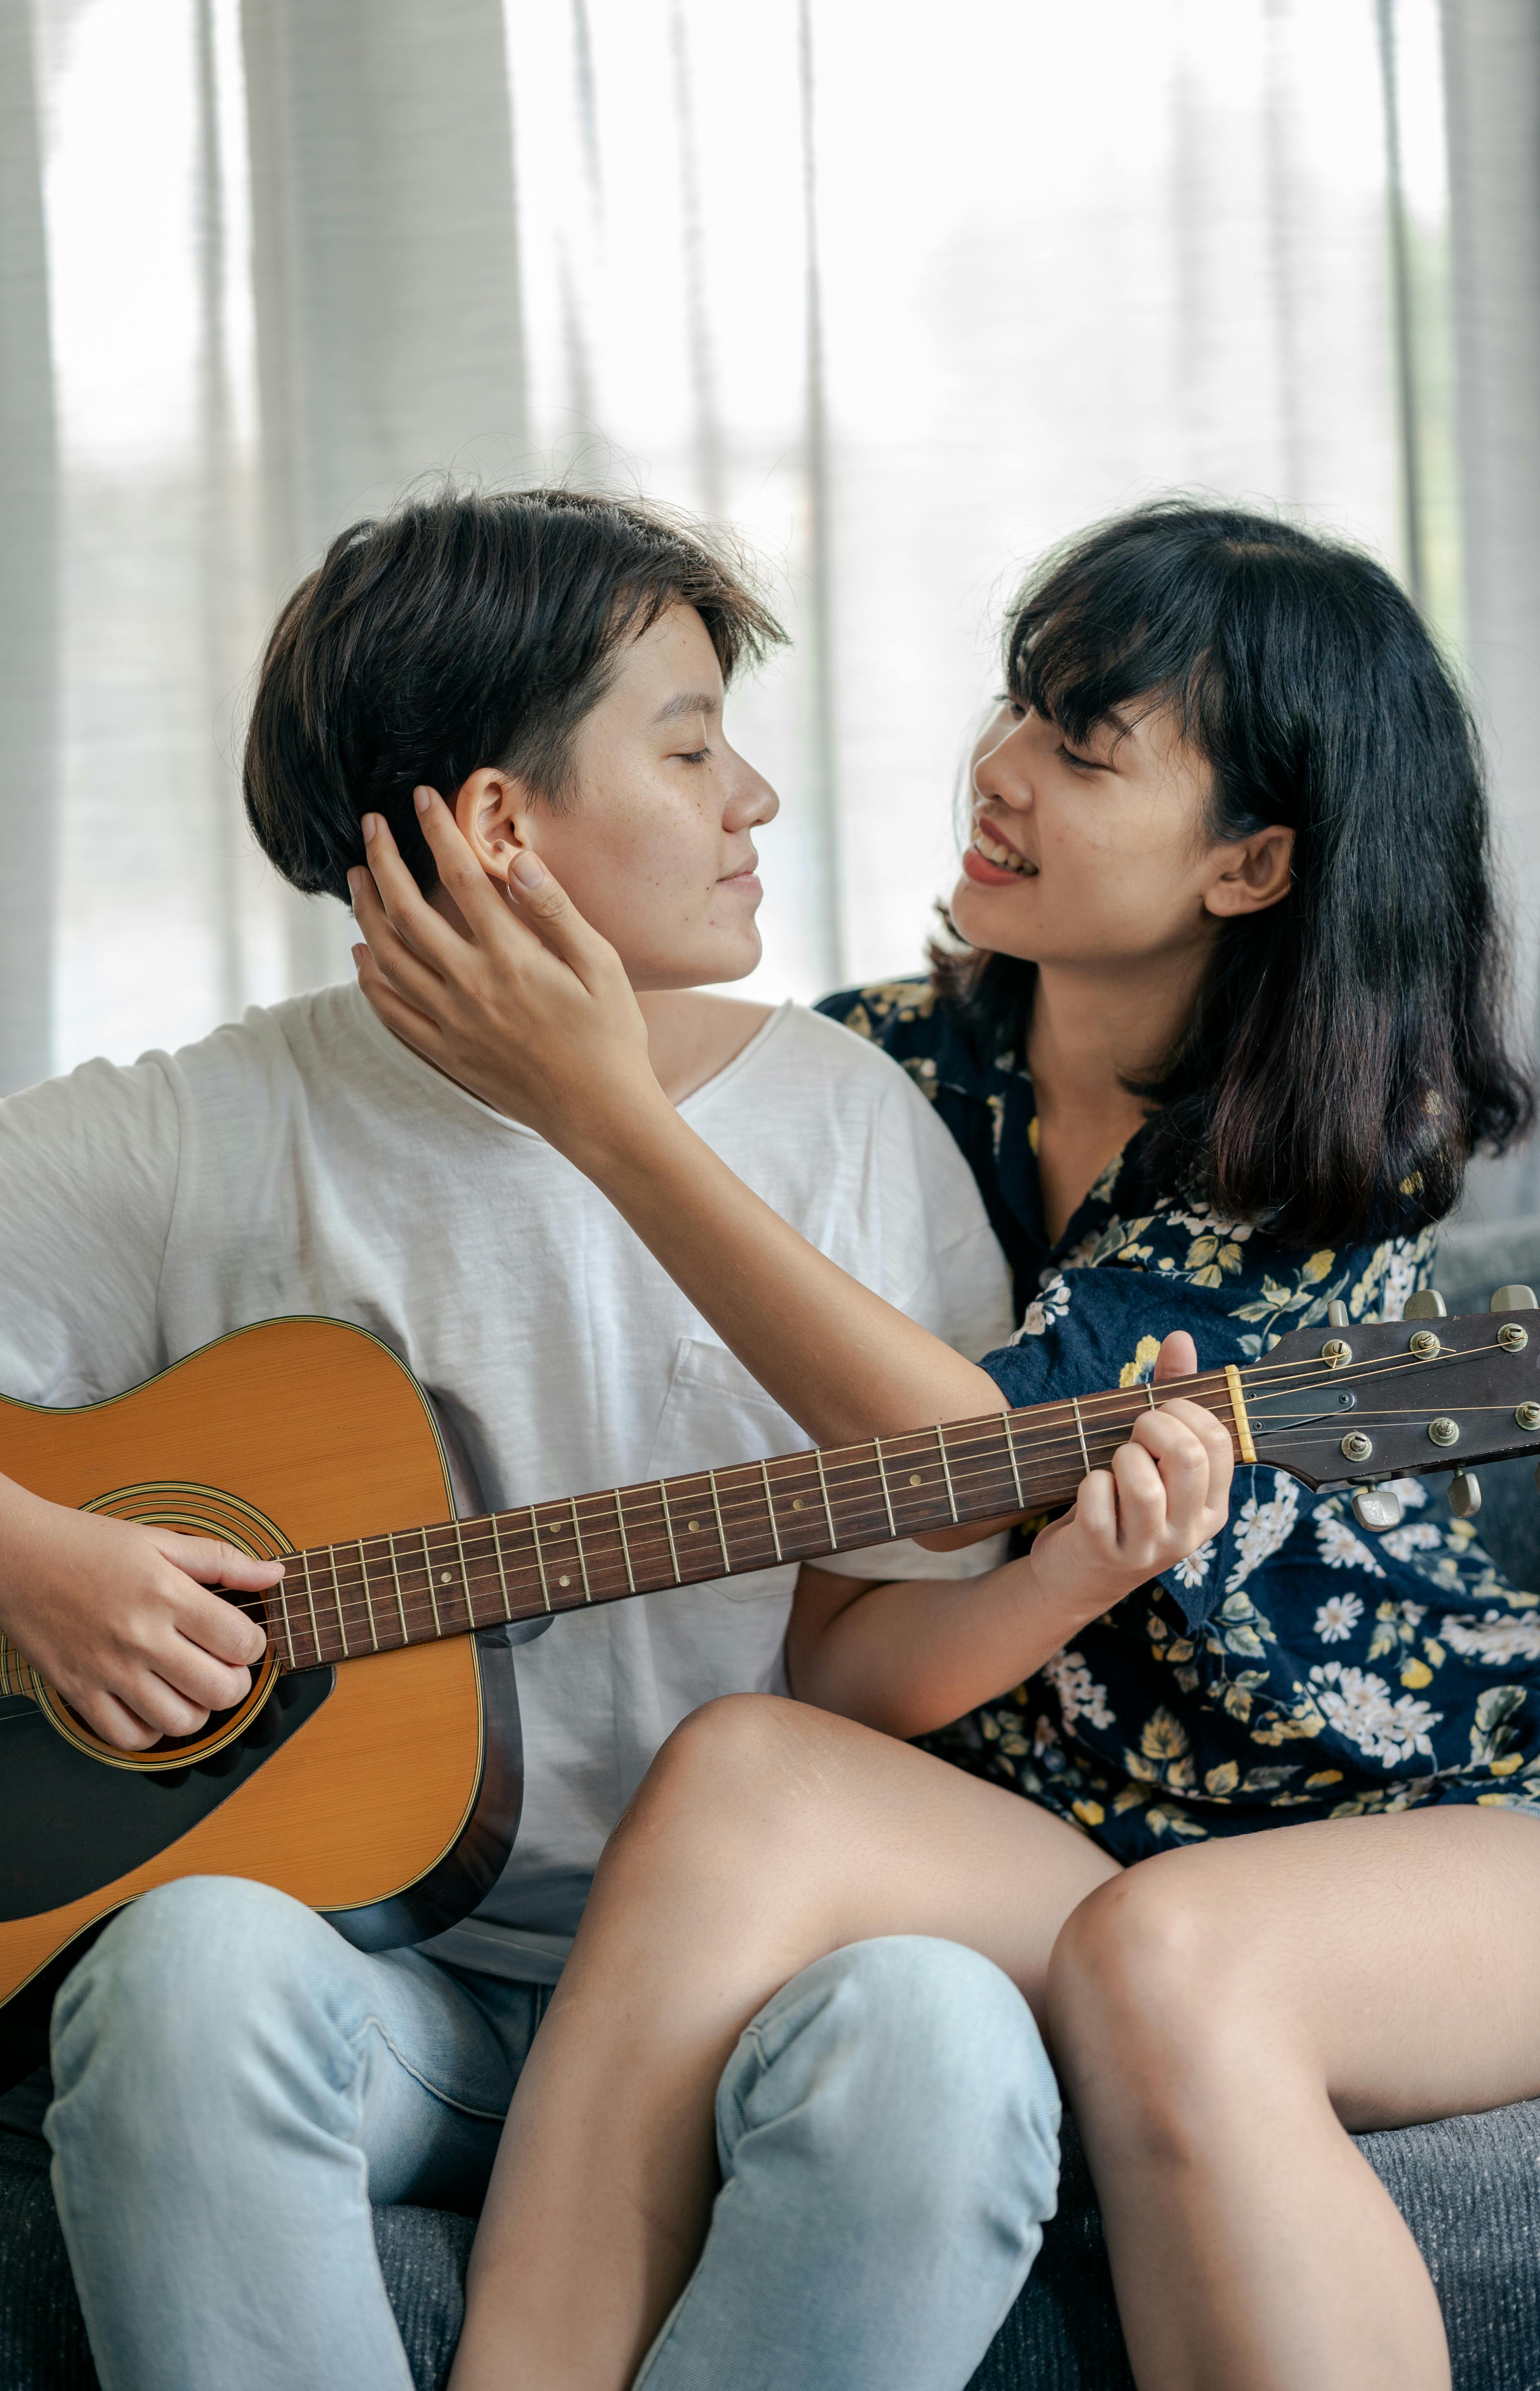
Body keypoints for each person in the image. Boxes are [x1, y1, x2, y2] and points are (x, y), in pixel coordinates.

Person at [353, 499, 1540, 2391]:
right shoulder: (886, 1076)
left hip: (1440, 1831)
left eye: (1080, 749)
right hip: (1086, 1835)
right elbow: (855, 1650)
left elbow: (980, 1446)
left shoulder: (1329, 1149)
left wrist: (612, 1112)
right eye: (1017, 708)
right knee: (748, 1760)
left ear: (1254, 861)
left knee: (1176, 1963)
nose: (995, 771)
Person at [0, 485, 1110, 2391]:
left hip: (748, 1994)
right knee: (185, 1968)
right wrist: (30, 1554)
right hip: (377, 1998)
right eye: (689, 745)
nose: (754, 796)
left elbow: (876, 1640)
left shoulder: (846, 1129)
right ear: (503, 824)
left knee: (940, 2034)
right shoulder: (195, 1131)